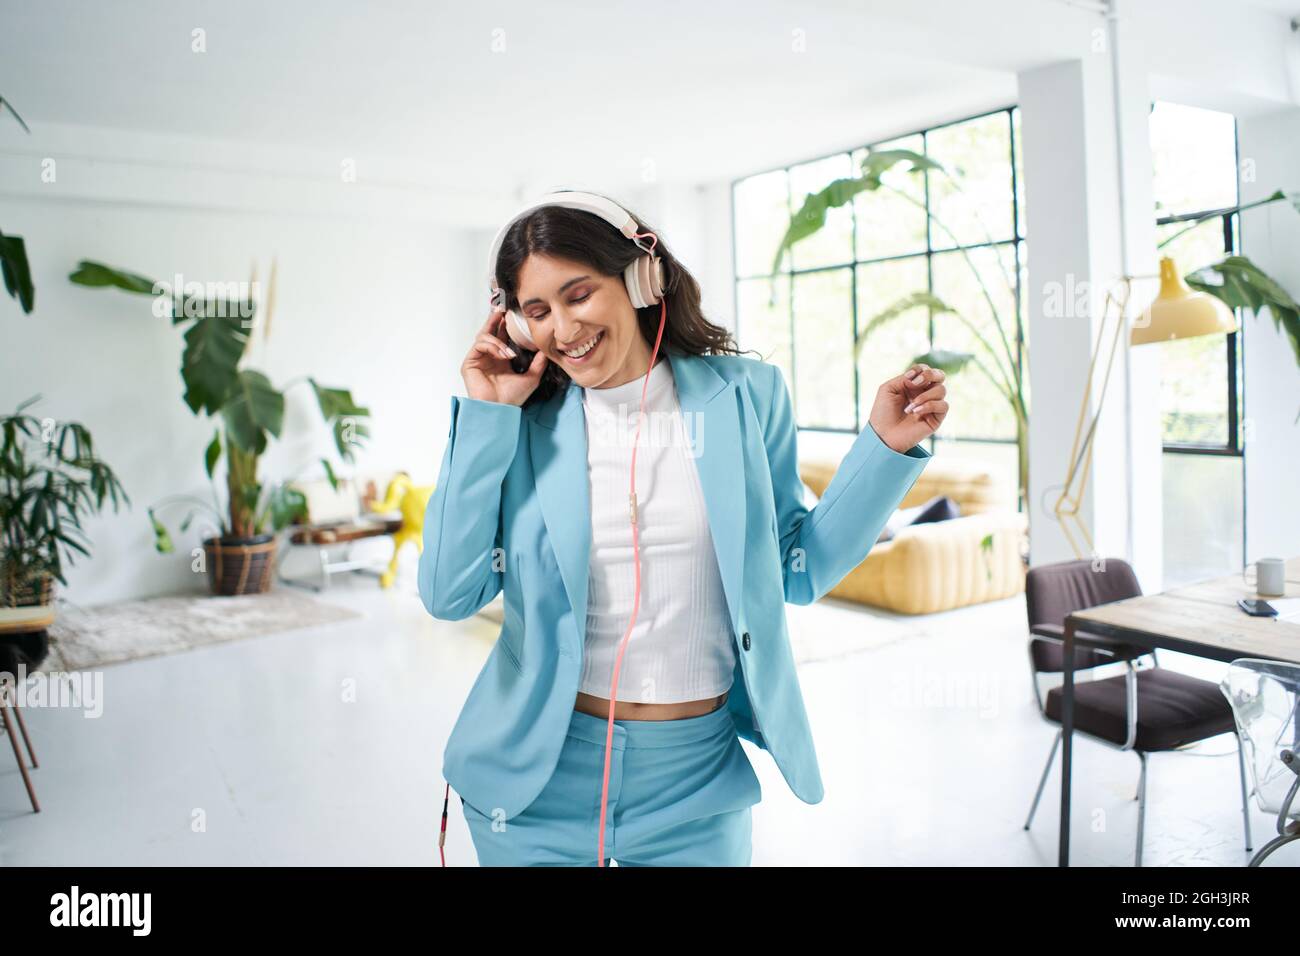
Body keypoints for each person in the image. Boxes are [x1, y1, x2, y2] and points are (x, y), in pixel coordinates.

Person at [420, 192, 948, 866]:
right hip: (533, 786)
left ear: (642, 278)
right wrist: (486, 415)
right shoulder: (521, 427)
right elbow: (448, 593)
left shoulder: (747, 396)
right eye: (536, 311)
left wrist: (885, 449)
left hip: (694, 782)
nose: (562, 328)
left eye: (578, 294)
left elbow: (799, 569)